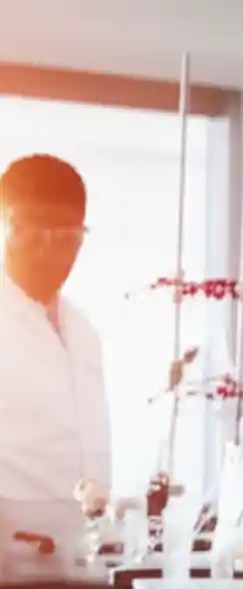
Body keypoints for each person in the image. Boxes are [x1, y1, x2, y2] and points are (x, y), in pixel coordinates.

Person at [0, 154, 111, 548]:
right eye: (31, 232)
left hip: (78, 556)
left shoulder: (84, 331)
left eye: (65, 237)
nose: (49, 252)